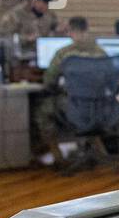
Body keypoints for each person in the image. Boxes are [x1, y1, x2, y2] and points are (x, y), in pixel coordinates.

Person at [34, 16, 110, 166]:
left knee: (42, 111)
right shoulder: (102, 52)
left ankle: (58, 157)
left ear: (71, 31)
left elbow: (49, 80)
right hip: (100, 107)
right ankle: (101, 152)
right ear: (86, 30)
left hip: (73, 106)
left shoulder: (64, 53)